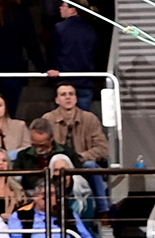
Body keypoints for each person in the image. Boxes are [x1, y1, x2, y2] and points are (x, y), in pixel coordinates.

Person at [41, 82, 111, 217]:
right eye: (63, 94)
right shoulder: (48, 119)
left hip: (82, 164)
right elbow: (44, 146)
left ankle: (104, 211)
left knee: (91, 166)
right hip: (57, 165)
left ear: (76, 98)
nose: (68, 97)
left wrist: (81, 157)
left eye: (71, 94)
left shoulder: (89, 118)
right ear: (57, 100)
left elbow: (103, 148)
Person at [47, 0, 100, 111]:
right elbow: (95, 53)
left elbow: (52, 51)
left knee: (63, 118)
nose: (60, 7)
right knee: (84, 119)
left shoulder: (59, 28)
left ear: (73, 9)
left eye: (63, 5)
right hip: (85, 80)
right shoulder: (91, 30)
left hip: (64, 81)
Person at [9, 118, 80, 193]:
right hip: (31, 195)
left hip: (62, 193)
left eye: (42, 145)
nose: (38, 149)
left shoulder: (67, 153)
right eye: (34, 145)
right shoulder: (23, 156)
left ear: (51, 138)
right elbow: (14, 180)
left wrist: (70, 180)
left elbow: (82, 177)